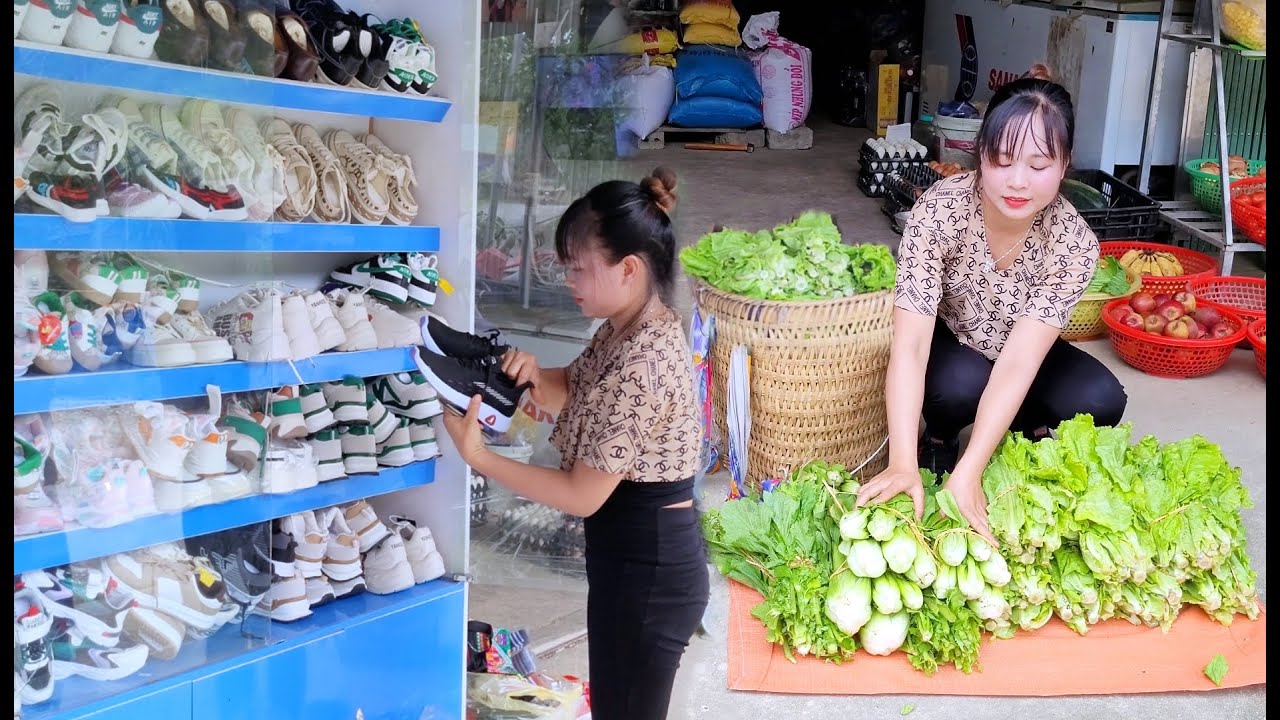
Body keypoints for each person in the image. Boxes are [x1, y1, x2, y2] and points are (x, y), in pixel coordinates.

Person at [441, 167, 708, 720]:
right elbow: (577, 386)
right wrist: (531, 373)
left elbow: (582, 494)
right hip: (628, 557)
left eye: (578, 269)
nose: (568, 281)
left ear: (628, 269)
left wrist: (481, 457)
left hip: (652, 570)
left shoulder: (645, 359)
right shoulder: (626, 326)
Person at [856, 69, 1127, 543]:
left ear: (1064, 166)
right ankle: (937, 437)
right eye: (1002, 162)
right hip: (955, 342)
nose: (1017, 182)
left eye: (1039, 166)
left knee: (1100, 400)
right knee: (959, 385)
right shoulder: (940, 211)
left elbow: (1022, 360)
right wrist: (900, 462)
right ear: (980, 155)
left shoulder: (1074, 242)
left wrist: (971, 469)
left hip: (1021, 349)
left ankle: (1008, 435)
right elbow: (912, 345)